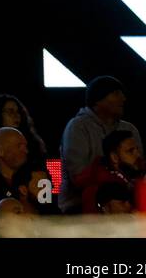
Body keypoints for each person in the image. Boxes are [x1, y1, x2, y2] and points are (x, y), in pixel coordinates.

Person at [60, 75, 140, 213]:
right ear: (98, 99)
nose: (123, 98)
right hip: (79, 207)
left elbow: (139, 168)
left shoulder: (129, 129)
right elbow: (78, 177)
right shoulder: (77, 127)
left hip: (126, 203)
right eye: (116, 93)